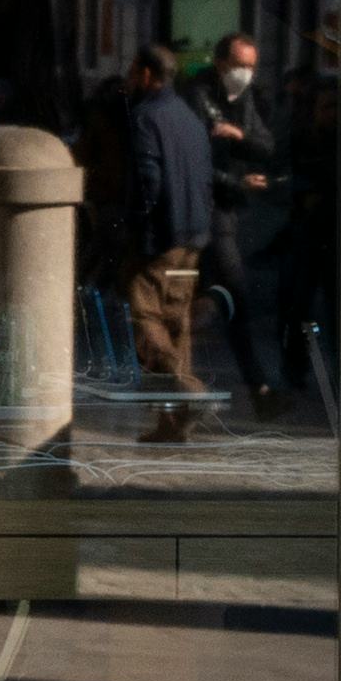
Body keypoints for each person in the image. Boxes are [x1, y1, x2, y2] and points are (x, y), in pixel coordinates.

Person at [121, 45, 215, 432]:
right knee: (176, 325)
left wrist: (136, 221)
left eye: (132, 70)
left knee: (144, 317)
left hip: (160, 237)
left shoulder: (146, 116)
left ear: (146, 74)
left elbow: (149, 179)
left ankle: (189, 392)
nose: (128, 78)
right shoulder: (189, 117)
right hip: (192, 235)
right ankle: (172, 423)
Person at [194, 33, 288, 417]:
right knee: (234, 296)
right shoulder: (199, 95)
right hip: (209, 213)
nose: (245, 74)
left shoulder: (244, 101)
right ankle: (259, 387)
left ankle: (255, 387)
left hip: (228, 212)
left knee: (220, 299)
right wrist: (238, 181)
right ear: (220, 63)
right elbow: (195, 159)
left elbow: (266, 146)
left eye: (251, 66)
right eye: (239, 65)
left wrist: (239, 135)